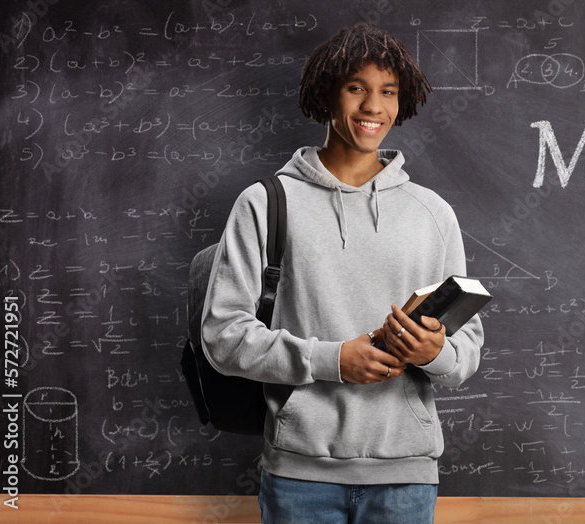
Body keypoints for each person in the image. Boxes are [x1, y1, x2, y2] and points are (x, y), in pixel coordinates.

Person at [201, 22, 484, 523]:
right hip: (299, 476)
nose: (373, 106)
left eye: (388, 92)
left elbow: (466, 353)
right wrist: (333, 360)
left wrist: (434, 350)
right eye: (357, 88)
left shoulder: (433, 214)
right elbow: (223, 336)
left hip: (406, 478)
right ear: (326, 95)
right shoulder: (266, 204)